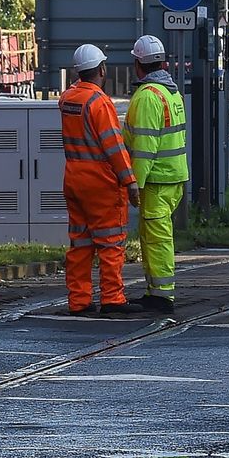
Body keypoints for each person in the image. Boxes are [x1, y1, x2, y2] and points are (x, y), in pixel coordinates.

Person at [59, 44, 139, 317]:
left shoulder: (68, 99)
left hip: (73, 178)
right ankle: (112, 298)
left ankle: (79, 301)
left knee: (80, 243)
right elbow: (114, 146)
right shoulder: (99, 102)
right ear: (102, 69)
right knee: (110, 242)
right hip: (100, 181)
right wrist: (129, 182)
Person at [123, 35, 187, 315]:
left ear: (138, 64)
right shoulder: (171, 92)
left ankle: (162, 296)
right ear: (163, 63)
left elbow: (145, 148)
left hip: (157, 181)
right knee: (153, 235)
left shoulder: (149, 96)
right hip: (172, 177)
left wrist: (134, 183)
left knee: (157, 237)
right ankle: (155, 291)